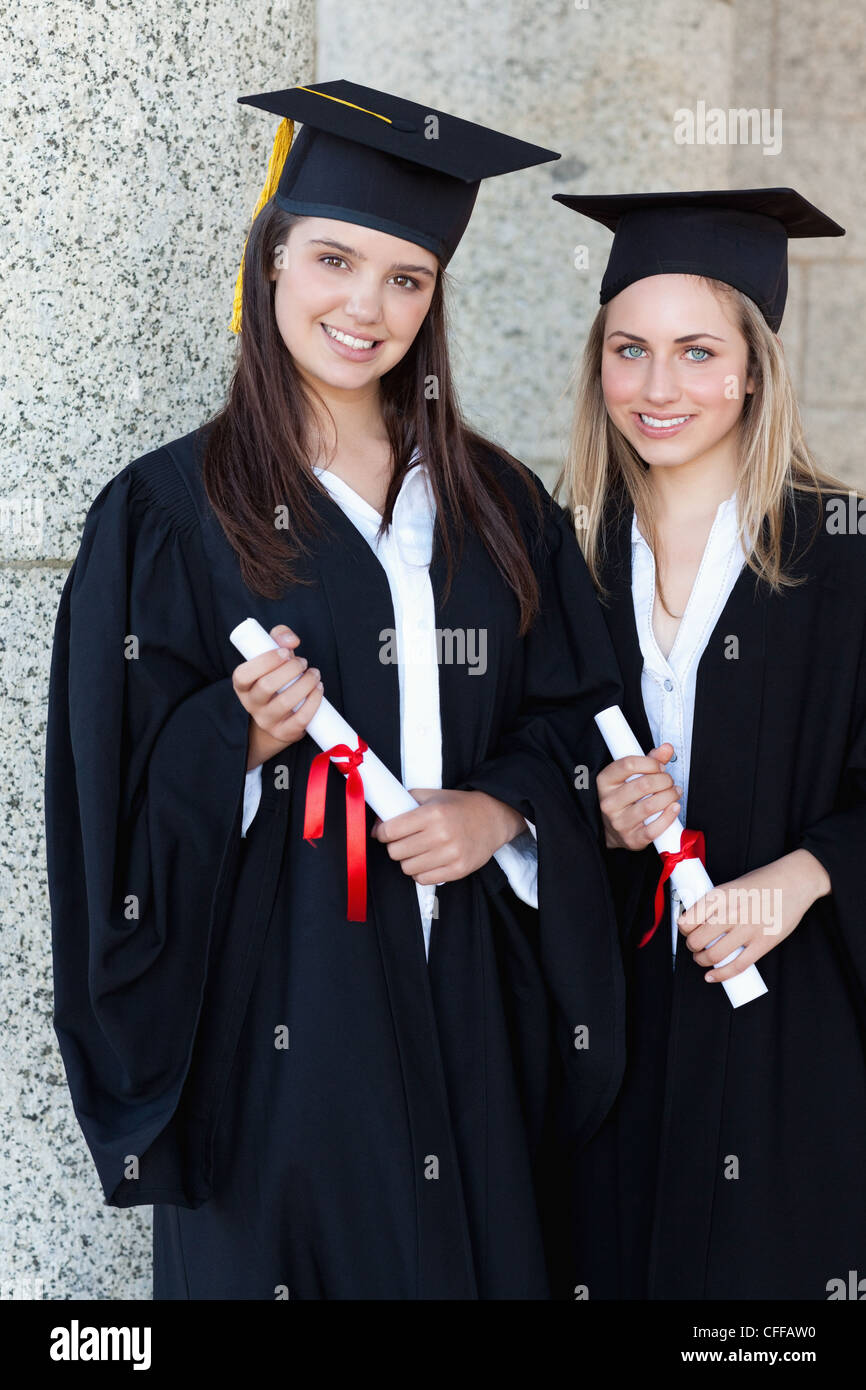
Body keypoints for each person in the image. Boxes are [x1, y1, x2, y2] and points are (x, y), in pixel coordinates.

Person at [45, 79, 624, 1300]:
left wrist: (501, 813)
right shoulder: (167, 514)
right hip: (281, 1013)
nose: (364, 306)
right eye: (332, 259)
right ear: (271, 263)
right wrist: (236, 736)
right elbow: (104, 804)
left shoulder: (498, 505)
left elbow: (577, 718)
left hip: (468, 997)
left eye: (405, 278)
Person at [551, 186, 866, 1299]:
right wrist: (582, 806)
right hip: (617, 1022)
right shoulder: (559, 568)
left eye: (695, 351)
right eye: (627, 351)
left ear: (750, 367)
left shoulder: (842, 560)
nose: (657, 386)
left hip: (793, 1025)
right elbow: (513, 768)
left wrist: (802, 876)